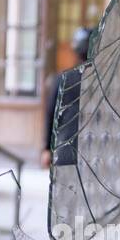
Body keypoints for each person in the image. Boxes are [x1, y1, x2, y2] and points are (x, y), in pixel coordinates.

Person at [40, 26, 93, 170]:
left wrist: (46, 147)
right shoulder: (100, 80)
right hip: (93, 146)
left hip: (65, 144)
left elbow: (51, 113)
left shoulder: (63, 78)